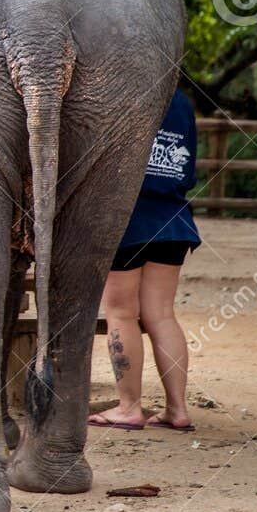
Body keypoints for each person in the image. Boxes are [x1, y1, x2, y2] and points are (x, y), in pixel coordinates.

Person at [89, 87, 201, 432]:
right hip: (174, 217)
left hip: (128, 217)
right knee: (162, 314)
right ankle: (177, 409)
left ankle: (129, 407)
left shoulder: (123, 90)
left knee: (121, 312)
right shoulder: (181, 101)